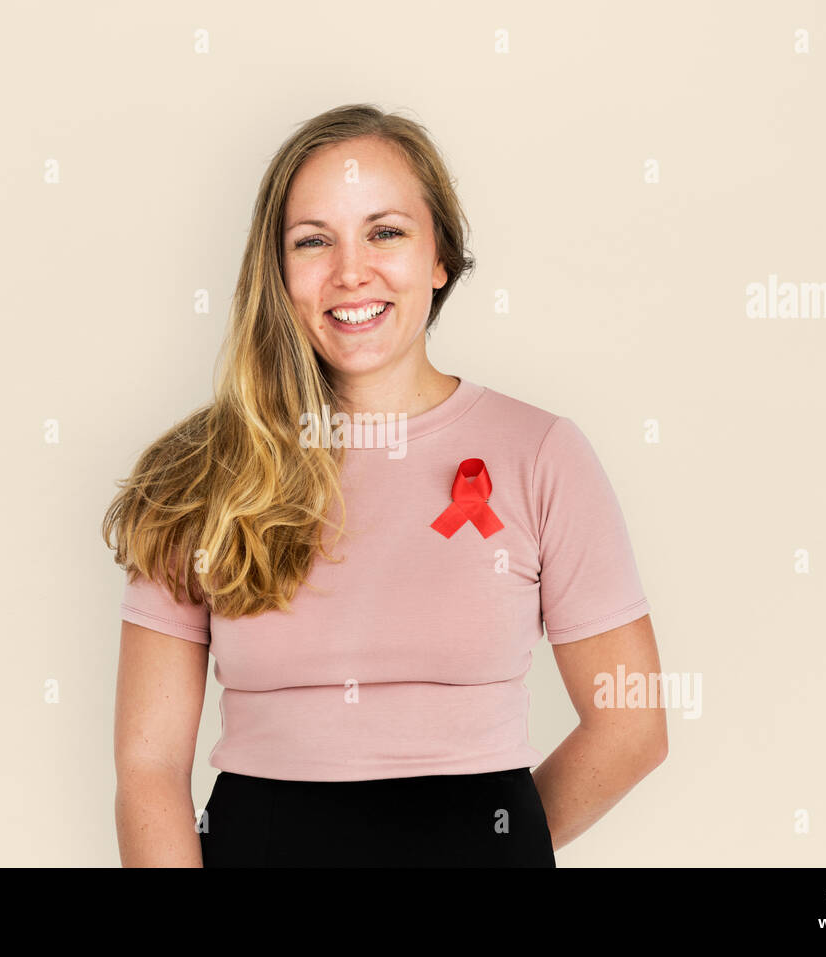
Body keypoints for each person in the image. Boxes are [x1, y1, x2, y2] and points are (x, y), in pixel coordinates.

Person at [102, 103, 666, 867]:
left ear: (440, 258)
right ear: (277, 272)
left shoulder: (543, 454)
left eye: (386, 231)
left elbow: (631, 724)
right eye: (313, 241)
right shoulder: (200, 472)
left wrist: (497, 845)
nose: (350, 271)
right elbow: (148, 769)